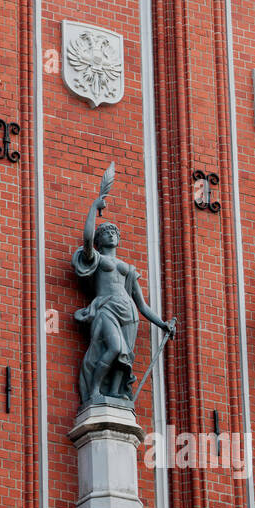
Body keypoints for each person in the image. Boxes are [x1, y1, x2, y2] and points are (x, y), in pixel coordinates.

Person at [73, 167, 175, 405]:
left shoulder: (128, 268)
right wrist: (93, 208)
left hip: (128, 312)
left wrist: (163, 323)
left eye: (114, 232)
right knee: (115, 348)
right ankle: (95, 391)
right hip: (107, 308)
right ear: (100, 240)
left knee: (125, 357)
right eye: (106, 232)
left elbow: (141, 304)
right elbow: (87, 239)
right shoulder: (97, 259)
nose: (111, 235)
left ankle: (116, 394)